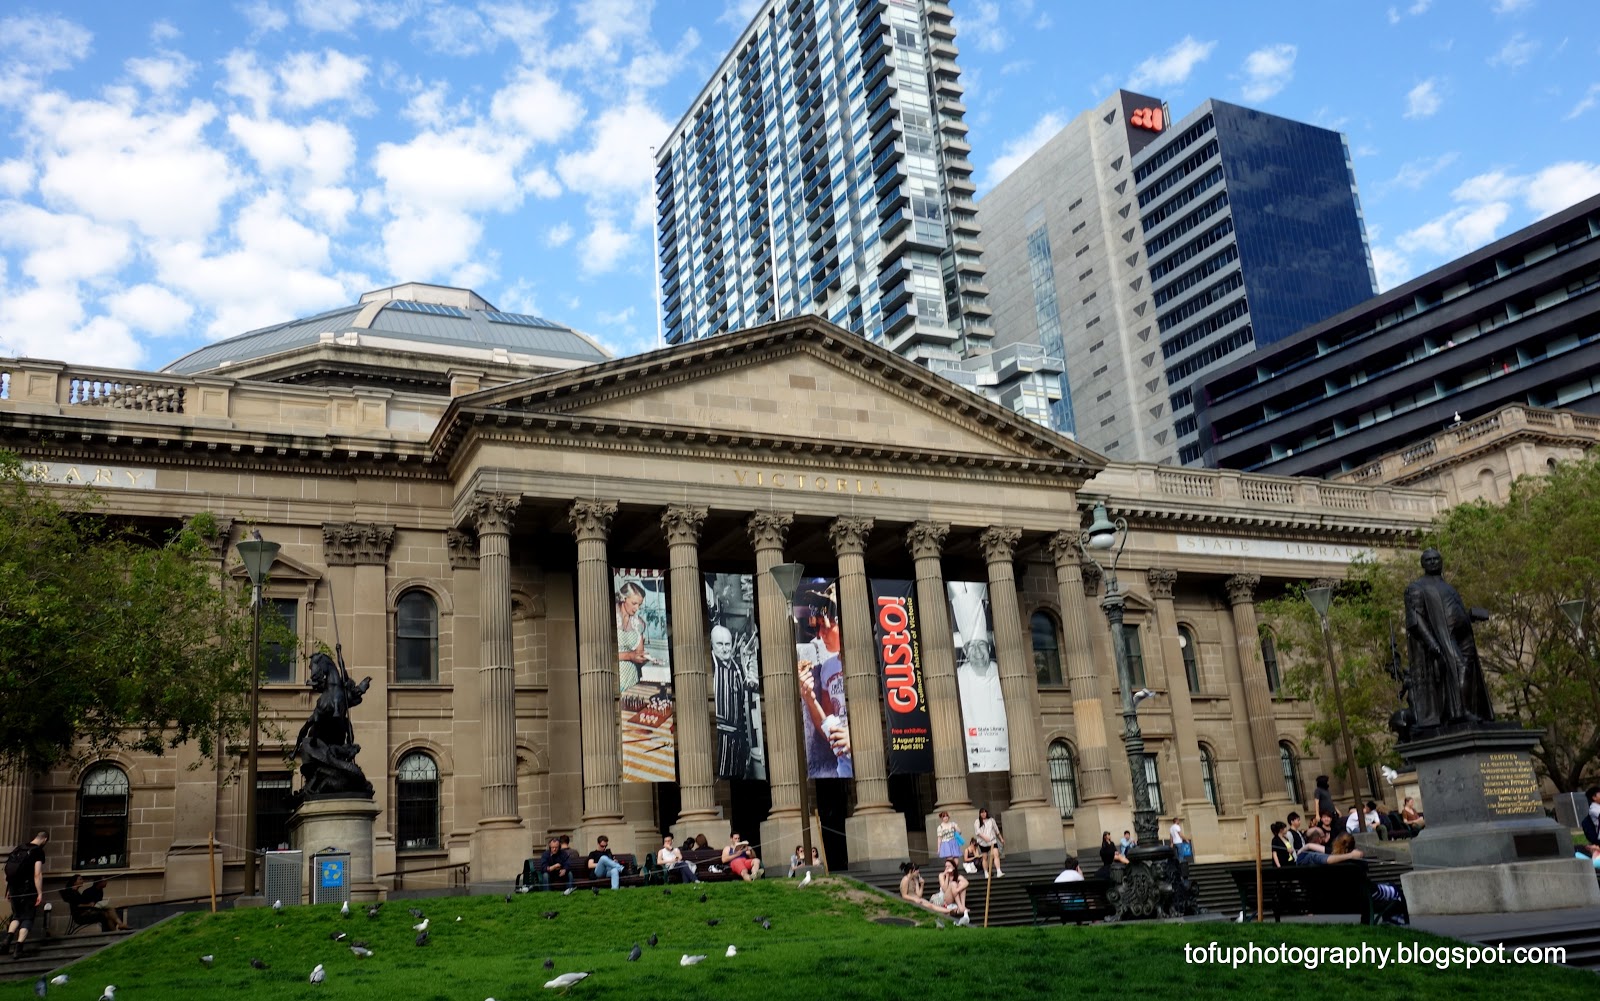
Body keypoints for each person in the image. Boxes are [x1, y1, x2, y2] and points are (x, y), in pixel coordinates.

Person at [1404, 548, 1494, 728]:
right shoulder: (1416, 587)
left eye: (1436, 559)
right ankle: (1460, 712)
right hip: (1443, 638)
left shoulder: (1448, 586)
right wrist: (1433, 645)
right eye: (1428, 560)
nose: (1433, 562)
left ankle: (1469, 710)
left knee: (1469, 671)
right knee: (1460, 668)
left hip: (1463, 635)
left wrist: (1469, 616)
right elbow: (1416, 621)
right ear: (1422, 564)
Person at [712, 624, 761, 779]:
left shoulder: (738, 669)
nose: (725, 649)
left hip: (739, 741)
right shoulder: (711, 668)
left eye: (727, 644)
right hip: (719, 740)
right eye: (720, 644)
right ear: (712, 645)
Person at [3, 831, 48, 959]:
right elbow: (37, 874)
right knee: (28, 917)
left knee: (17, 916)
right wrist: (39, 892)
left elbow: (10, 872)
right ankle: (18, 948)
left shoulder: (19, 848)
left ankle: (6, 941)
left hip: (13, 888)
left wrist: (8, 890)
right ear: (44, 840)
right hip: (28, 888)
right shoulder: (38, 851)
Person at [615, 581, 653, 691]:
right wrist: (629, 656)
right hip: (614, 677)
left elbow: (639, 652)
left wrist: (644, 657)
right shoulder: (609, 618)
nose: (637, 608)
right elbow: (603, 655)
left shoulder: (638, 623)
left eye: (639, 604)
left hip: (631, 678)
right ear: (623, 598)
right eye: (634, 603)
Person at [61, 874, 127, 932]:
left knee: (109, 910)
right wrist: (89, 905)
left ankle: (116, 929)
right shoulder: (72, 892)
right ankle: (114, 931)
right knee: (105, 914)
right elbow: (77, 905)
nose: (82, 881)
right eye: (80, 879)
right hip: (81, 915)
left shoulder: (77, 892)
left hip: (89, 911)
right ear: (74, 882)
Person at [938, 857, 971, 926]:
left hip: (954, 897)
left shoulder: (957, 876)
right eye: (946, 866)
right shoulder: (941, 875)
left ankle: (962, 906)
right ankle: (961, 907)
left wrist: (957, 890)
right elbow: (944, 889)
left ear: (953, 867)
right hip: (945, 898)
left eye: (949, 866)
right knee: (953, 884)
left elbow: (966, 882)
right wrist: (947, 876)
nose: (947, 868)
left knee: (962, 884)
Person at [973, 807, 1004, 878]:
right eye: (982, 812)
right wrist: (984, 838)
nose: (983, 814)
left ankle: (999, 870)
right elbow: (978, 832)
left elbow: (996, 830)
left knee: (996, 854)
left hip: (992, 840)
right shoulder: (977, 821)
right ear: (980, 814)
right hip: (982, 842)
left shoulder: (991, 820)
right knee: (985, 857)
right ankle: (986, 872)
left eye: (984, 812)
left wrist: (1001, 839)